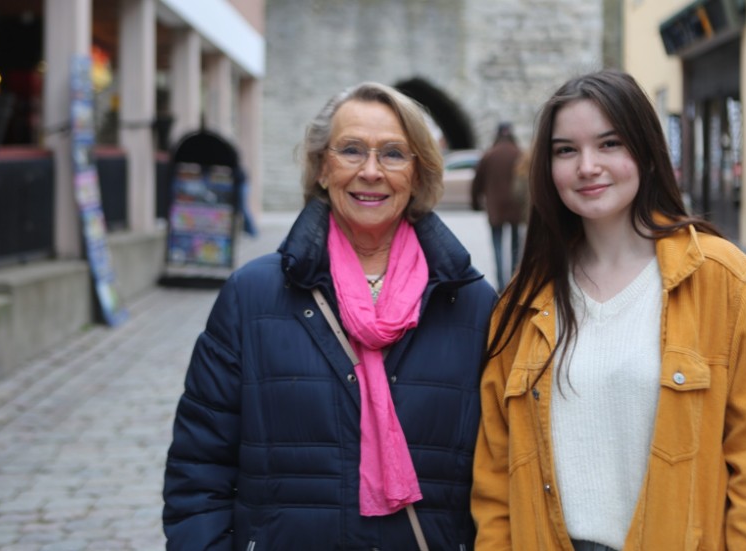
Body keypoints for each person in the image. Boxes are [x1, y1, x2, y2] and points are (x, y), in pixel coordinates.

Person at [471, 69, 746, 550]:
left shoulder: (725, 281)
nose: (587, 166)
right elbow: (495, 483)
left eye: (609, 144)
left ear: (647, 153)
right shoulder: (523, 304)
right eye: (566, 150)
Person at [163, 82, 497, 549]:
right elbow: (199, 467)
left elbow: (501, 476)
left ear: (418, 174)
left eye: (393, 154)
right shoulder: (252, 296)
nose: (371, 171)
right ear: (322, 167)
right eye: (351, 150)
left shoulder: (471, 304)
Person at [471, 122, 524, 290]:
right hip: (516, 206)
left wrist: (475, 203)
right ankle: (514, 278)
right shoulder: (519, 154)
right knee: (515, 244)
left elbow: (477, 182)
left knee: (497, 244)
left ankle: (501, 282)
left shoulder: (489, 155)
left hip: (495, 207)